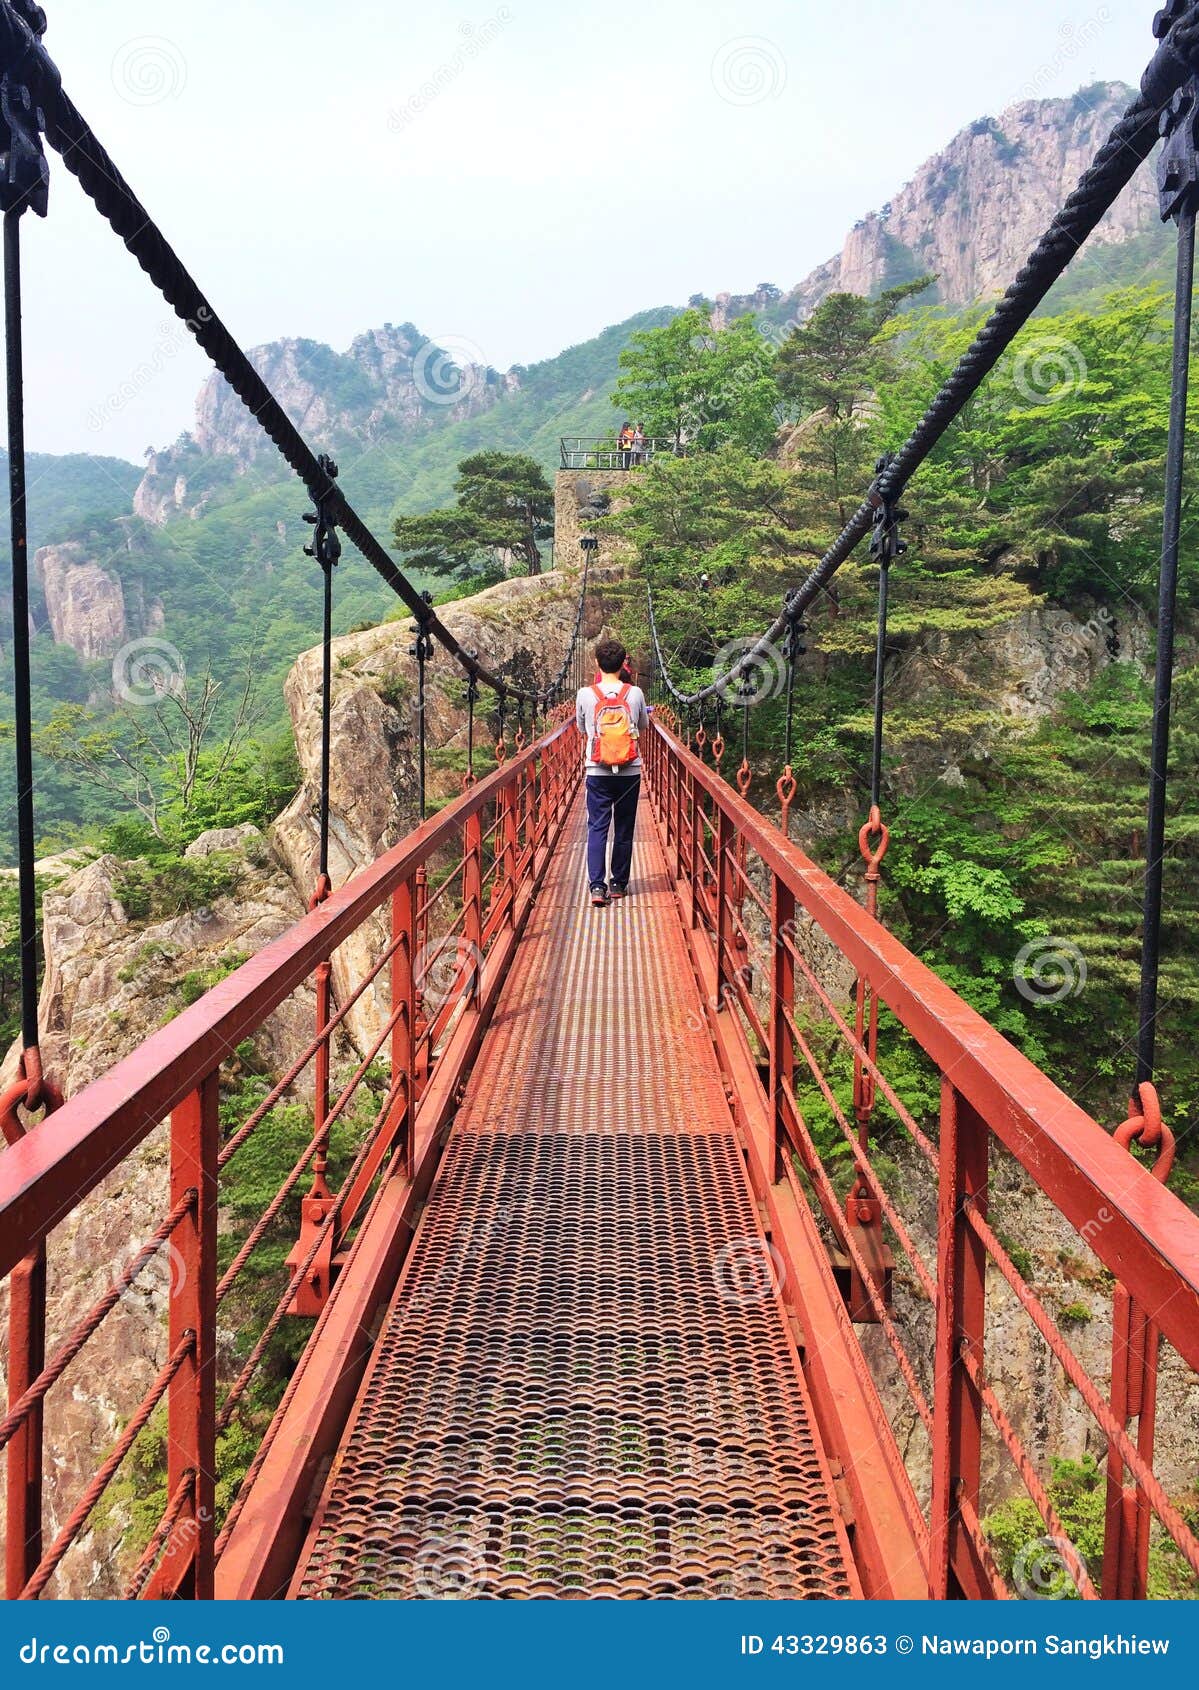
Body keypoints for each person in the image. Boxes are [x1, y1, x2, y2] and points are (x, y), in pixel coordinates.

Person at [576, 638, 649, 907]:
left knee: (597, 828)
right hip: (630, 772)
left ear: (597, 663)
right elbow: (642, 725)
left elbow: (582, 729)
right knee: (624, 829)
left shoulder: (585, 694)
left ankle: (597, 887)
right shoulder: (636, 693)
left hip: (597, 771)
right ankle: (618, 884)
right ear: (623, 664)